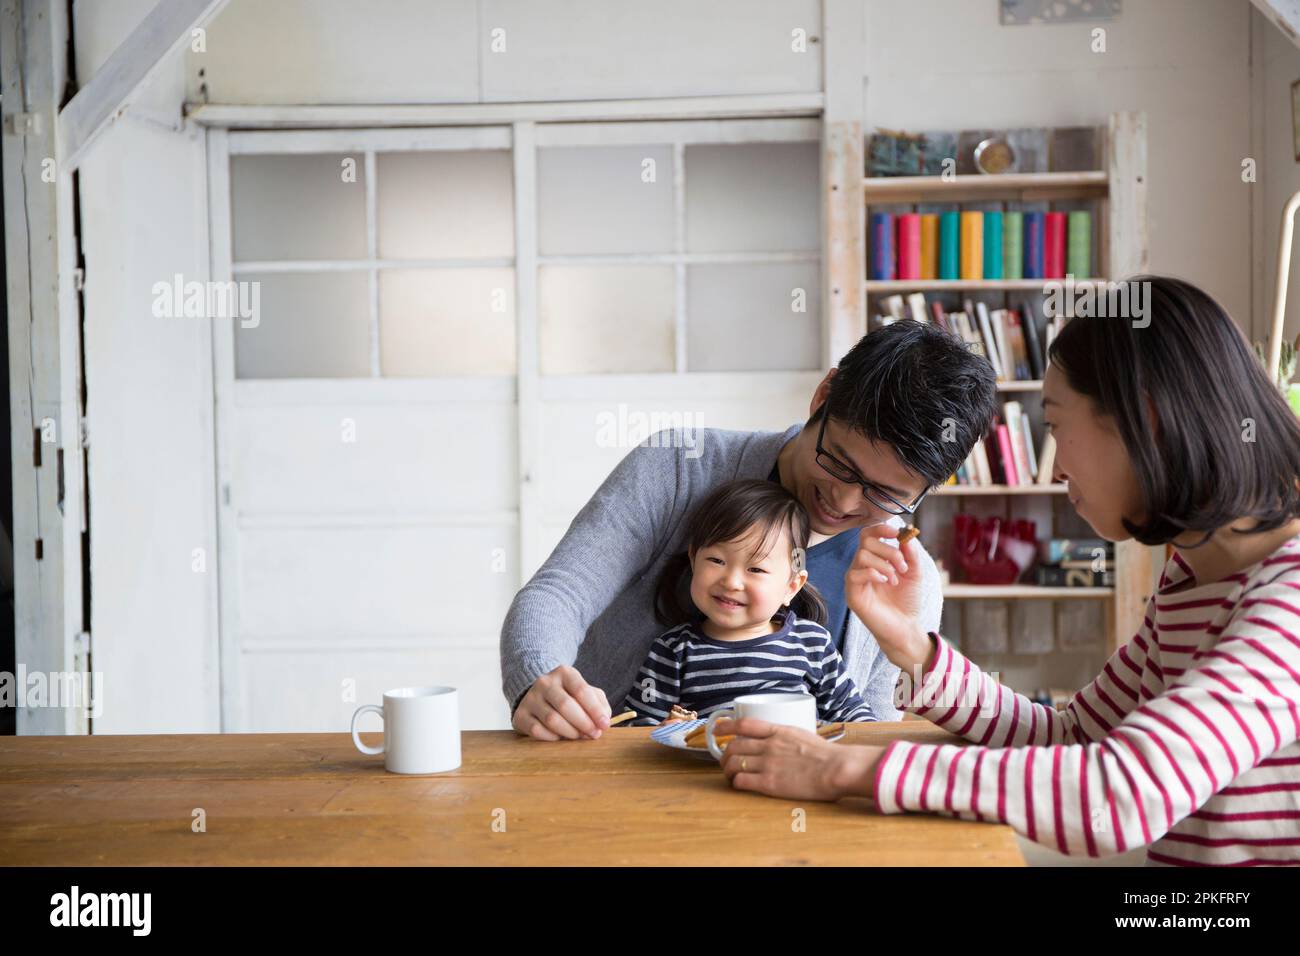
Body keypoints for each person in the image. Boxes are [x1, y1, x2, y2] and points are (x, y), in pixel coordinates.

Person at [716, 275, 1300, 866]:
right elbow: (1071, 735)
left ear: (1142, 422)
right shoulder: (1193, 577)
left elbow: (1123, 792)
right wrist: (915, 649)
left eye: (1054, 426)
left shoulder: (1290, 598)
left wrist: (846, 767)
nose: (1056, 467)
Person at [501, 321, 998, 741]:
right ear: (822, 396)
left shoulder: (911, 583)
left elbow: (866, 734)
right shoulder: (679, 466)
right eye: (839, 462)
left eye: (884, 493)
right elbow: (559, 594)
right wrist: (539, 678)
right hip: (625, 776)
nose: (843, 503)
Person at [620, 479, 875, 726]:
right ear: (693, 559)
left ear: (791, 586)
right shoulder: (673, 650)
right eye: (716, 561)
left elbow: (853, 714)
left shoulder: (812, 644)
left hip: (800, 764)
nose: (731, 582)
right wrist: (663, 729)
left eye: (756, 569)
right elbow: (633, 723)